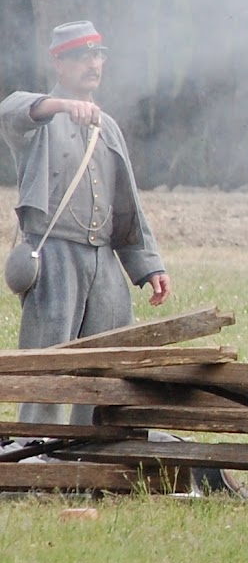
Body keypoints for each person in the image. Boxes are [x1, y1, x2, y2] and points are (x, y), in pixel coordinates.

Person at [0, 21, 171, 426]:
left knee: (112, 355)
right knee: (48, 357)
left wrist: (150, 265)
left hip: (103, 259)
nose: (92, 64)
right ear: (58, 64)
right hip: (55, 252)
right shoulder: (39, 118)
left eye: (98, 56)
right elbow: (9, 108)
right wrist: (60, 106)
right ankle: (38, 446)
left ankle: (93, 450)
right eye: (81, 57)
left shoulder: (107, 126)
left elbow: (127, 204)